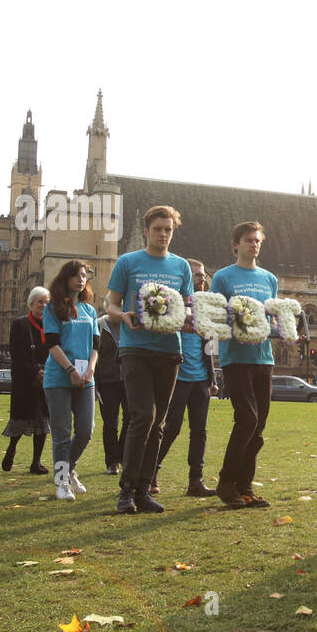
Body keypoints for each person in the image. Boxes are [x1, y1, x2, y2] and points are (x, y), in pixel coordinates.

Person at [104, 205, 194, 514]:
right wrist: (124, 316)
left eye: (168, 229)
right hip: (135, 348)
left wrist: (188, 320)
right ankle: (126, 491)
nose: (164, 234)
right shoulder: (128, 262)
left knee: (158, 423)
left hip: (169, 350)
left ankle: (144, 489)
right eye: (158, 229)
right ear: (147, 230)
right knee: (142, 415)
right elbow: (111, 305)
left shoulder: (181, 266)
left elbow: (187, 308)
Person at [211, 221, 278, 509]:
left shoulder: (269, 279)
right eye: (249, 240)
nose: (254, 244)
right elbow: (215, 315)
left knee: (259, 425)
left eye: (258, 240)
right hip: (236, 358)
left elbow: (272, 317)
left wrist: (281, 328)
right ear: (236, 244)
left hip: (264, 357)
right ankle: (226, 483)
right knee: (247, 419)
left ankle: (245, 487)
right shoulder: (224, 278)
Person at [156, 258, 218, 498]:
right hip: (178, 377)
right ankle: (151, 472)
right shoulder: (172, 305)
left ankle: (195, 481)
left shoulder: (204, 308)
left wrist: (212, 378)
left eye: (202, 275)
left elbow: (208, 347)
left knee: (199, 431)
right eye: (196, 274)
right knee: (170, 429)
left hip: (200, 379)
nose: (201, 278)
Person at [42, 261, 100, 500]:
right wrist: (70, 370)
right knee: (62, 433)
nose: (81, 279)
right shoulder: (52, 308)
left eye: (84, 275)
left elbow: (96, 346)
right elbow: (52, 344)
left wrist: (90, 371)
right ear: (65, 279)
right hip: (59, 378)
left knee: (86, 430)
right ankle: (62, 482)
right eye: (76, 275)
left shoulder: (90, 311)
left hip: (86, 378)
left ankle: (69, 468)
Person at [2, 286, 51, 475]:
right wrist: (34, 371)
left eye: (47, 302)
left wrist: (47, 371)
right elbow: (16, 353)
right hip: (25, 380)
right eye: (40, 302)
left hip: (46, 379)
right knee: (20, 420)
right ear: (31, 303)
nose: (44, 306)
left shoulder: (51, 325)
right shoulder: (20, 324)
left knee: (43, 422)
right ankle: (11, 450)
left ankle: (36, 462)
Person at [95, 313, 128, 475]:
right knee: (110, 424)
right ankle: (112, 461)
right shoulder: (100, 325)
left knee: (131, 419)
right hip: (107, 381)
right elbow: (93, 354)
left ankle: (121, 454)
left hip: (129, 380)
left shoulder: (129, 324)